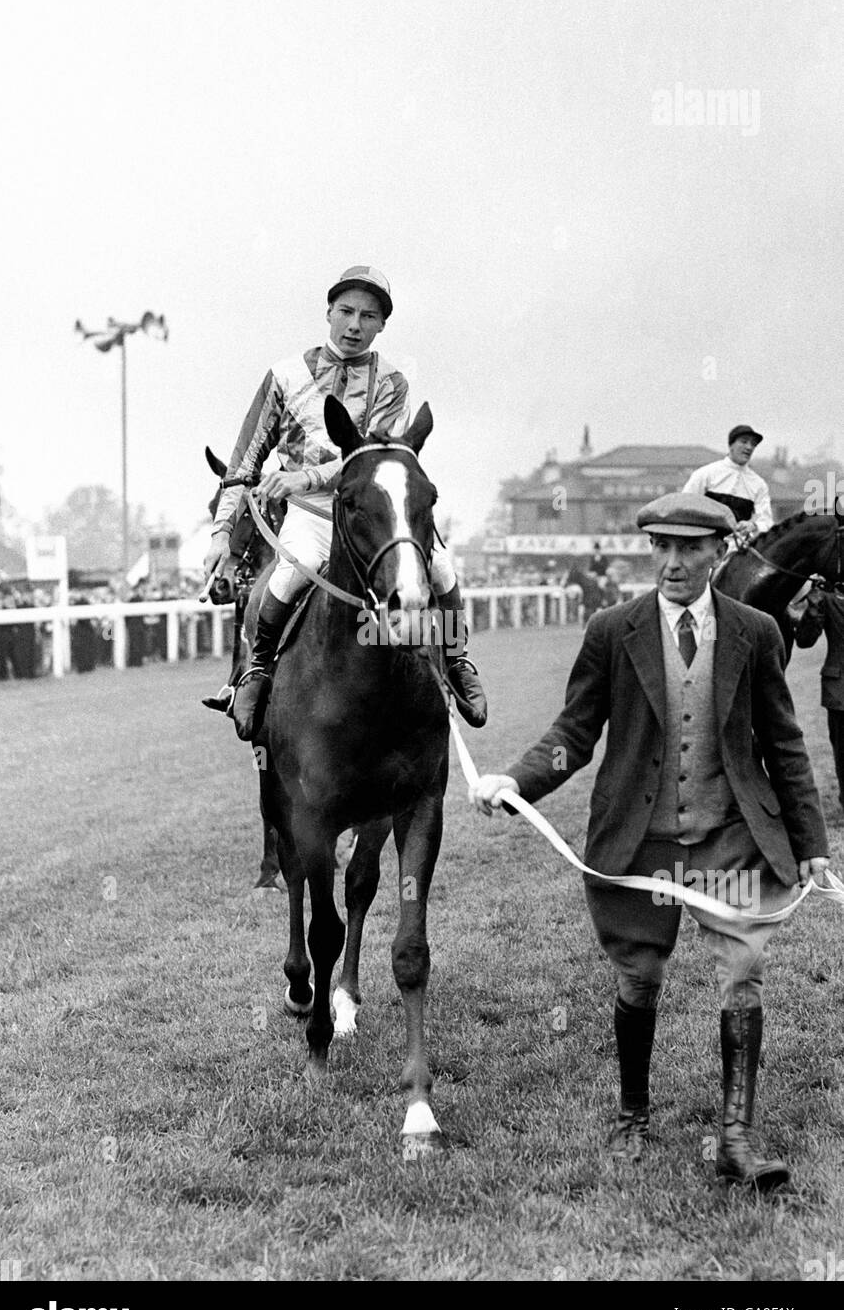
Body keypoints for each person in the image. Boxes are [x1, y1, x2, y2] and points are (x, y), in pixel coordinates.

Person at [471, 493, 829, 1189]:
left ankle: (735, 1139)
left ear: (718, 552)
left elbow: (784, 745)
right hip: (640, 844)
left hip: (729, 839)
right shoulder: (614, 630)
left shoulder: (756, 632)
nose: (671, 562)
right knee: (640, 976)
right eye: (660, 547)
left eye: (689, 549)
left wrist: (810, 840)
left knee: (742, 972)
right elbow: (575, 733)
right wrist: (514, 781)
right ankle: (633, 1116)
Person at [203, 265, 487, 739]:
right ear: (329, 312)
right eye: (347, 312)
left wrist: (300, 477)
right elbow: (243, 464)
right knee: (292, 572)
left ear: (381, 325)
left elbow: (370, 458)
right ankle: (254, 672)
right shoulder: (284, 376)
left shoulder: (393, 382)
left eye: (368, 316)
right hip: (312, 516)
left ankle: (457, 660)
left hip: (370, 512)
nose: (355, 325)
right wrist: (220, 534)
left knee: (439, 567)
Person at [794, 580, 844, 814]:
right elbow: (804, 640)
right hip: (839, 687)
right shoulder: (827, 601)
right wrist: (813, 609)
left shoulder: (828, 600)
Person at [683, 424, 773, 550]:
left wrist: (752, 525)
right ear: (731, 445)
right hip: (703, 545)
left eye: (753, 444)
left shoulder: (759, 484)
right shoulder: (706, 474)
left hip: (738, 549)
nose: (749, 447)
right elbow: (684, 506)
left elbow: (766, 522)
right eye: (744, 442)